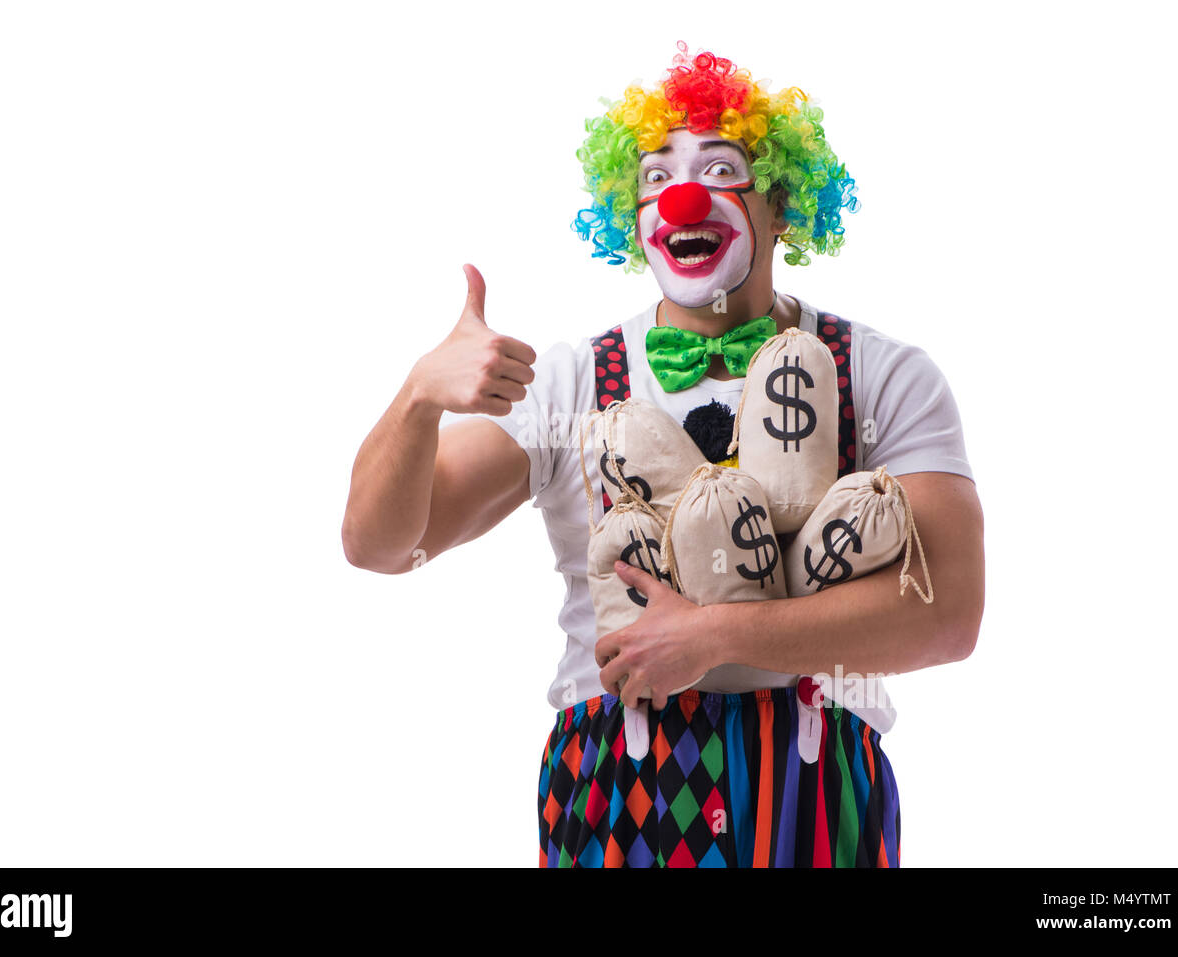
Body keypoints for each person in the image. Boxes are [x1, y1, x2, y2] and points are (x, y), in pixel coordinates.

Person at [341, 43, 984, 868]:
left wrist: (714, 635)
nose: (681, 192)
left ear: (784, 203)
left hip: (816, 787)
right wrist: (419, 398)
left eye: (721, 169)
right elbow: (381, 544)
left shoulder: (880, 372)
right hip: (618, 787)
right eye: (655, 177)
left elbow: (948, 612)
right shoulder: (572, 380)